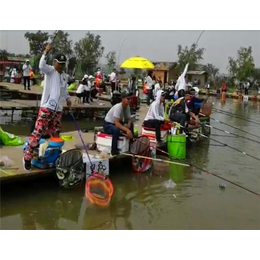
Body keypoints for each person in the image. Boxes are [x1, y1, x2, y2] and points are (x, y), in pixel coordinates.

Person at [23, 44, 71, 171]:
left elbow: (64, 89)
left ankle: (52, 156)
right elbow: (41, 66)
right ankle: (27, 157)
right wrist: (45, 52)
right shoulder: (50, 71)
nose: (61, 66)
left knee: (55, 133)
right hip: (47, 108)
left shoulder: (65, 76)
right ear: (54, 62)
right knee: (38, 132)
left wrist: (68, 99)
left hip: (58, 109)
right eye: (59, 63)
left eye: (63, 64)